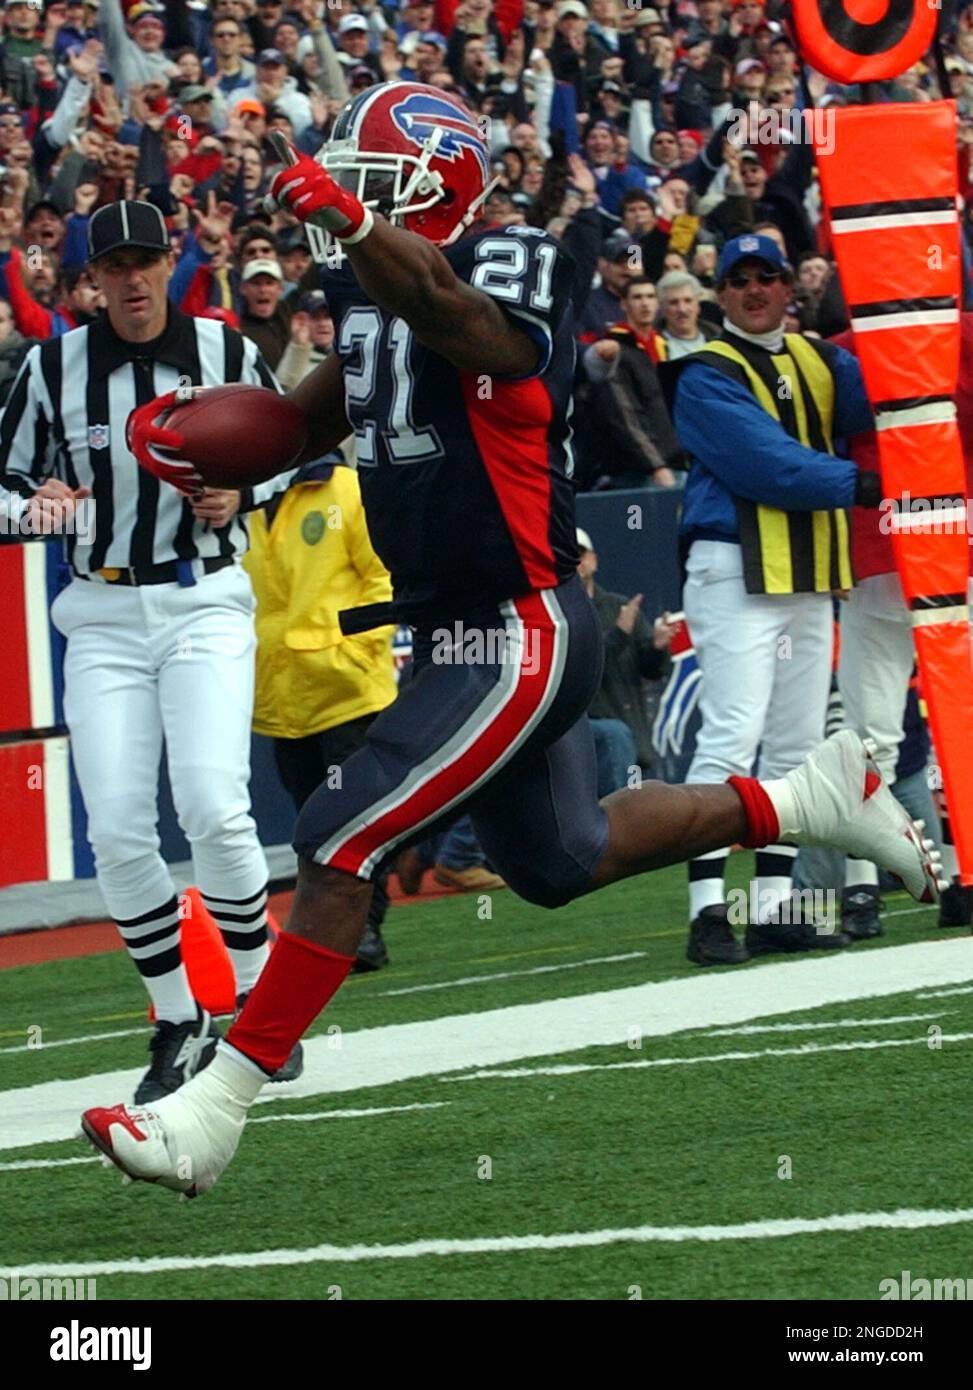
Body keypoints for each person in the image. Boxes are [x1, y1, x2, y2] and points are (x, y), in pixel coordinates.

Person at [84, 88, 939, 1198]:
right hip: (454, 626)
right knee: (558, 861)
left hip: (515, 626)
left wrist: (352, 223)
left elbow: (469, 326)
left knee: (340, 836)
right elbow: (304, 424)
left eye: (371, 183)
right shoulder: (368, 288)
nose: (349, 202)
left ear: (435, 181)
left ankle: (211, 1112)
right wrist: (206, 442)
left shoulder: (511, 259)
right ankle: (804, 798)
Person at [0, 200, 302, 1102]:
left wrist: (243, 492)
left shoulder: (225, 352)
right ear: (90, 277)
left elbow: (291, 448)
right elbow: (3, 485)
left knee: (212, 803)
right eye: (115, 265)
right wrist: (36, 511)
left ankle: (258, 1004)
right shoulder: (51, 368)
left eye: (145, 260)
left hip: (204, 596)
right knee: (118, 828)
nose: (132, 279)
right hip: (100, 611)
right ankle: (176, 1016)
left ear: (171, 262)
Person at [664, 233, 887, 967]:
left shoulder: (822, 359)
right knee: (731, 735)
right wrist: (860, 484)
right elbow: (764, 465)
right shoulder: (702, 372)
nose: (755, 290)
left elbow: (892, 393)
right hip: (736, 563)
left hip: (807, 567)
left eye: (768, 277)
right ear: (720, 294)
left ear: (791, 287)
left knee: (795, 747)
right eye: (740, 280)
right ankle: (706, 912)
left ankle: (769, 907)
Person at [244, 459, 397, 971]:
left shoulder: (346, 490)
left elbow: (384, 577)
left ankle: (363, 929)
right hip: (281, 700)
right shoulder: (245, 499)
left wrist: (356, 653)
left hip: (347, 694)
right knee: (312, 825)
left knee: (352, 821)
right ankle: (336, 932)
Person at [576, 527, 672, 793]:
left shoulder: (620, 606)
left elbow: (652, 671)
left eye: (580, 554)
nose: (575, 562)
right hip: (585, 739)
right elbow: (579, 669)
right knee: (614, 736)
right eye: (567, 556)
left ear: (593, 560)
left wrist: (657, 647)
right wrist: (618, 635)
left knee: (636, 807)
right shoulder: (557, 615)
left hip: (629, 738)